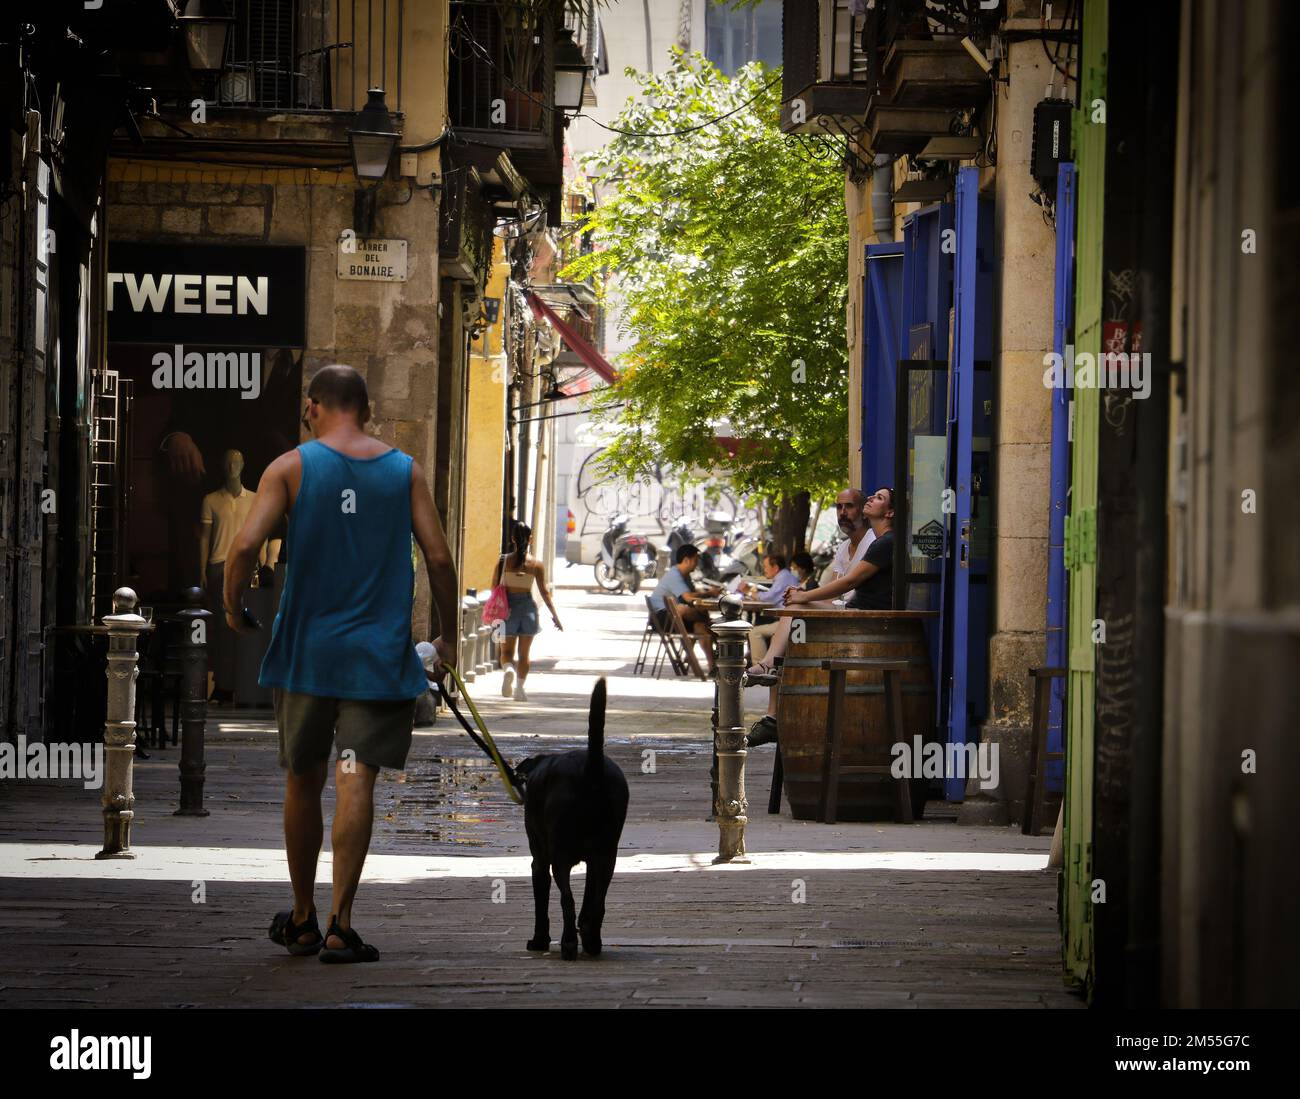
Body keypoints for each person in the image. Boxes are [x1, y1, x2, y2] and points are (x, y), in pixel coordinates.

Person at [224, 363, 460, 964]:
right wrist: (449, 636)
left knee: (302, 780)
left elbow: (246, 546)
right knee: (354, 778)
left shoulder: (291, 467)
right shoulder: (402, 471)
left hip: (307, 655)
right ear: (368, 409)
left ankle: (300, 916)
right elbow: (438, 557)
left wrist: (232, 607)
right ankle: (339, 924)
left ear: (312, 407)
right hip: (375, 660)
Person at [745, 488, 894, 747]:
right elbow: (840, 592)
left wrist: (805, 597)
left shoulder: (882, 542)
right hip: (851, 614)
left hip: (863, 623)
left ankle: (771, 689)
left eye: (850, 506)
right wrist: (803, 597)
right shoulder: (854, 545)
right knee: (793, 611)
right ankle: (772, 704)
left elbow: (848, 583)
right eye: (839, 507)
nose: (843, 512)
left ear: (888, 512)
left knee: (794, 612)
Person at [491, 520, 563, 702]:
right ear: (530, 539)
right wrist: (555, 616)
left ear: (513, 538)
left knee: (506, 652)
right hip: (529, 610)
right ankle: (520, 689)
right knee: (525, 654)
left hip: (506, 610)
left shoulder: (503, 561)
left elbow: (494, 588)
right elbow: (545, 592)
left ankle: (508, 670)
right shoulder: (536, 565)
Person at [648, 543, 720, 673]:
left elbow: (692, 594)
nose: (697, 563)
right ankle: (712, 629)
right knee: (689, 611)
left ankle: (711, 666)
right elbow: (689, 598)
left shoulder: (685, 576)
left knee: (701, 626)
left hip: (674, 616)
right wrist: (710, 593)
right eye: (695, 560)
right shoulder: (675, 575)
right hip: (661, 618)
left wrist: (704, 592)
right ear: (687, 560)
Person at [743, 553, 800, 665]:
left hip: (789, 621)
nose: (764, 570)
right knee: (758, 627)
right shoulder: (784, 576)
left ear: (775, 568)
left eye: (766, 566)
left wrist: (749, 592)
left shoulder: (784, 577)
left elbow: (769, 598)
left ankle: (760, 667)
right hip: (786, 619)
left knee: (754, 632)